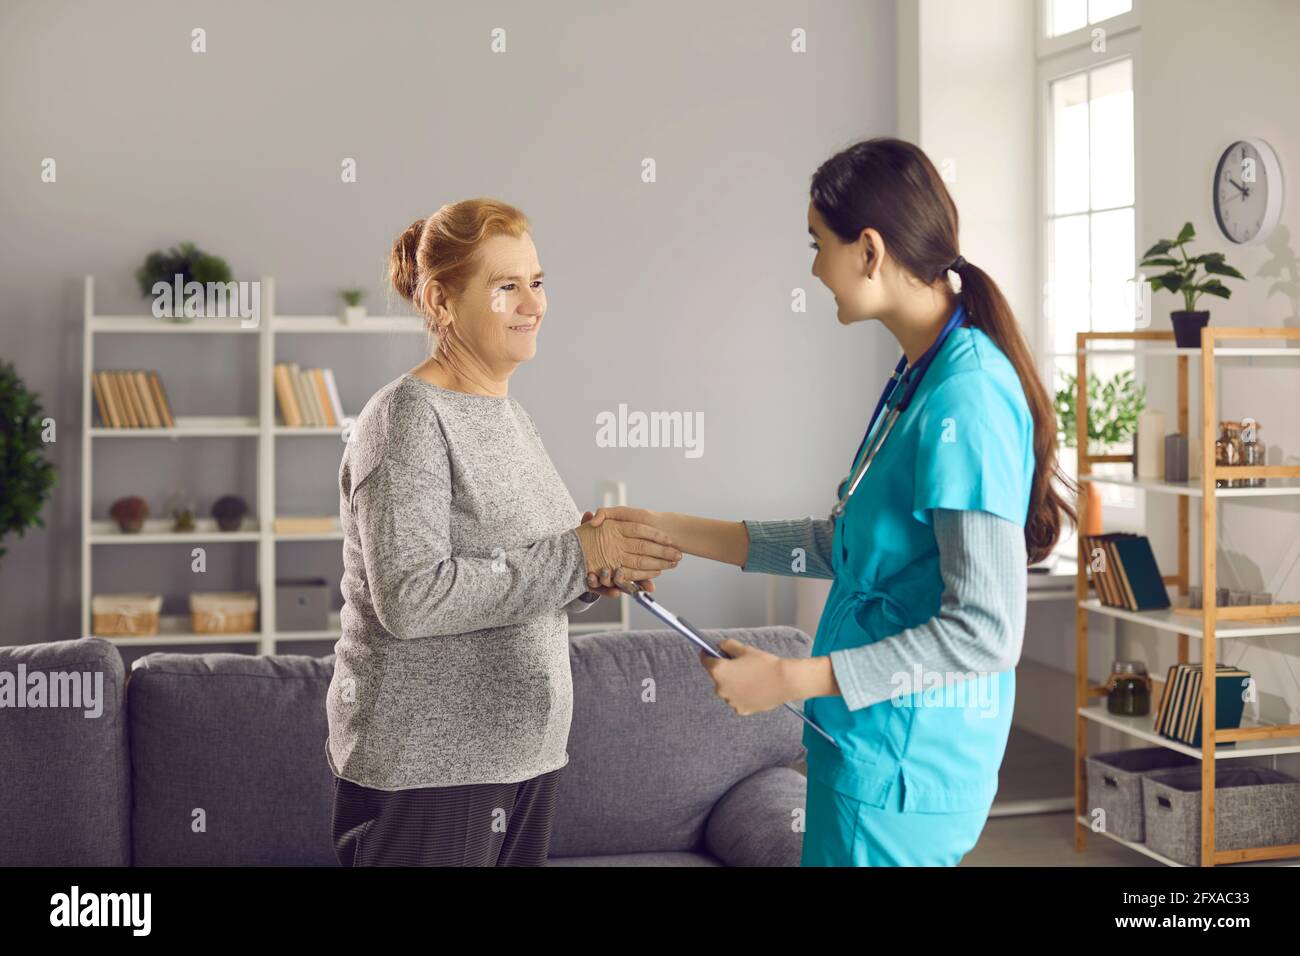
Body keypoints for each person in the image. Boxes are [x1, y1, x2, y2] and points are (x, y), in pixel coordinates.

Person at [586, 138, 1075, 866]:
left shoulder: (965, 396)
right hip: (859, 744)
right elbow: (842, 546)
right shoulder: (920, 377)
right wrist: (671, 531)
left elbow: (986, 631)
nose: (815, 269)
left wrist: (791, 678)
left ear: (869, 250)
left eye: (819, 245)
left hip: (903, 765)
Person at [326, 198, 682, 866]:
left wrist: (594, 572)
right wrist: (576, 557)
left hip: (525, 754)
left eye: (538, 282)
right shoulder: (407, 417)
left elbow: (524, 571)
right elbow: (413, 595)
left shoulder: (510, 416)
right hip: (429, 768)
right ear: (441, 300)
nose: (534, 304)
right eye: (506, 287)